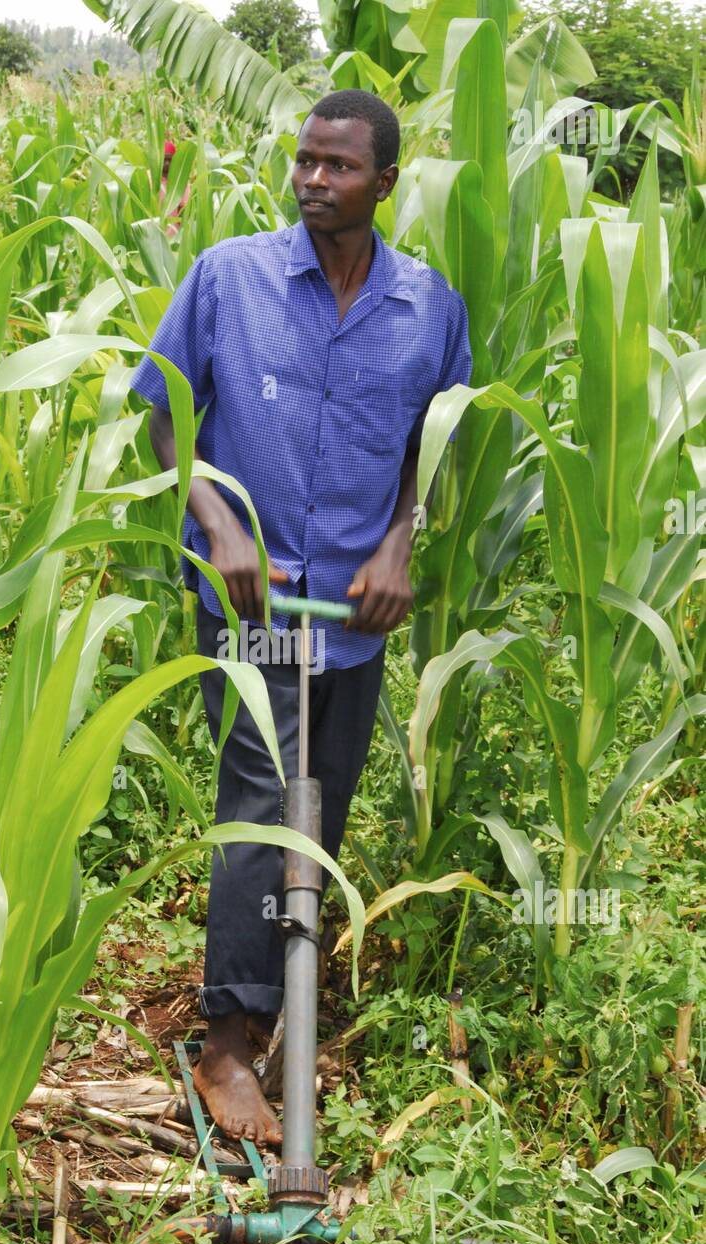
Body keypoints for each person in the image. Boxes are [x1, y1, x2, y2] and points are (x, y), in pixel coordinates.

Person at [130, 89, 472, 1146]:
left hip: (353, 619)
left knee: (319, 819)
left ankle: (287, 1006)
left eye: (337, 166)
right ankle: (229, 1041)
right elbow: (161, 413)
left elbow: (433, 440)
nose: (313, 179)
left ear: (385, 182)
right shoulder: (229, 276)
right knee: (264, 801)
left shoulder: (428, 308)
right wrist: (217, 525)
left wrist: (398, 545)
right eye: (304, 161)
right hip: (257, 607)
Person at [159, 136, 189, 237]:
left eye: (170, 160)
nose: (167, 163)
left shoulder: (181, 182)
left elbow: (185, 211)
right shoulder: (149, 179)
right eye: (164, 159)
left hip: (176, 236)